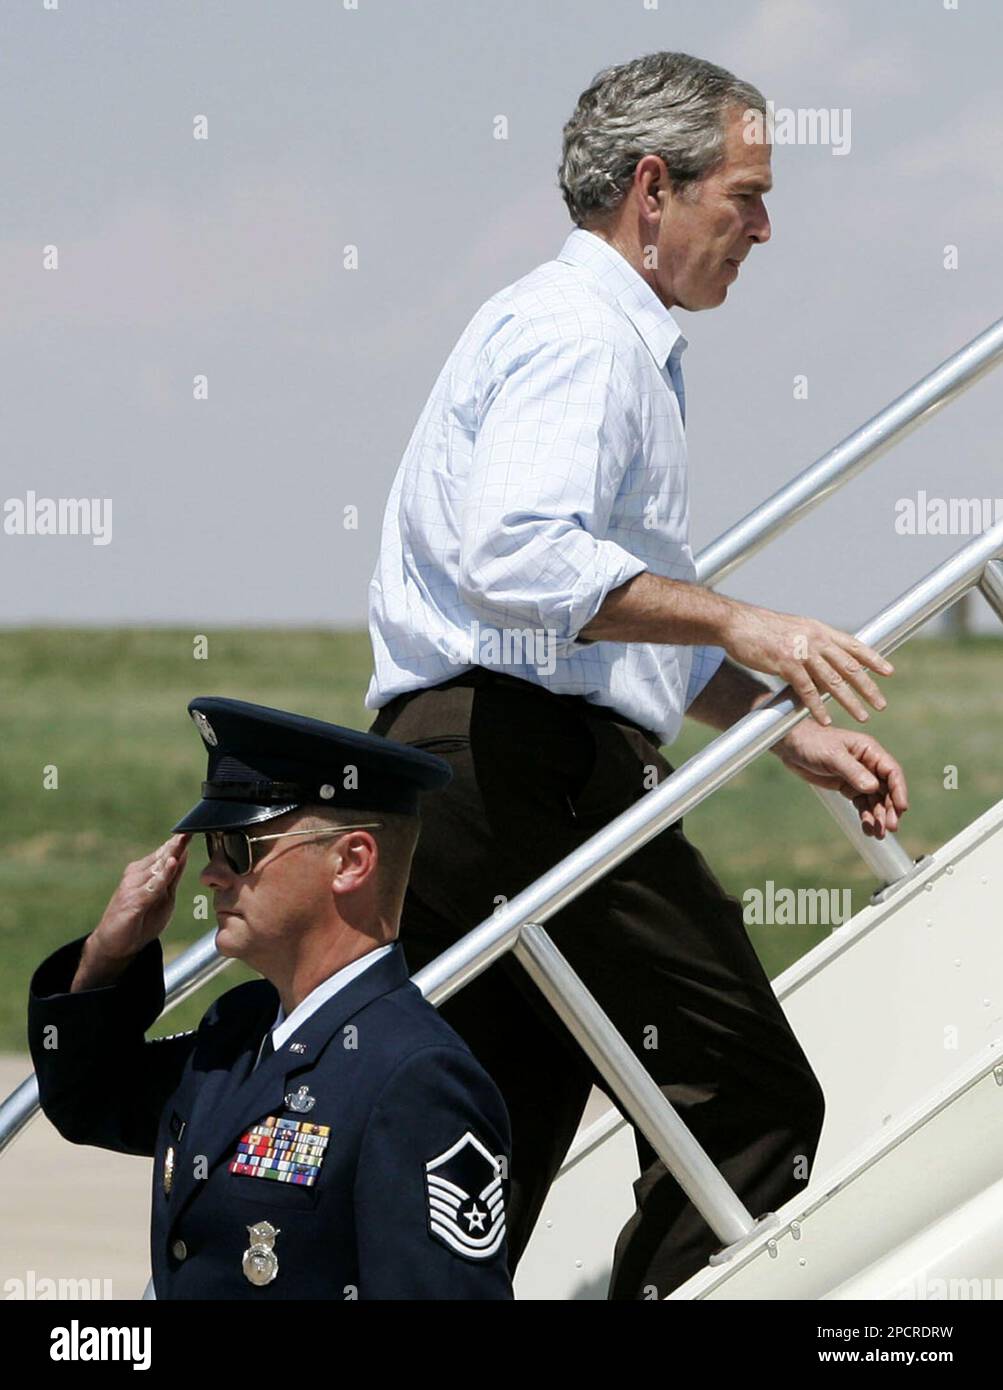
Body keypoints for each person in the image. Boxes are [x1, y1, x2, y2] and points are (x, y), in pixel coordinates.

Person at [363, 51, 910, 1299]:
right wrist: (746, 622)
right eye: (747, 194)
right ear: (652, 189)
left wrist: (771, 725)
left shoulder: (570, 327)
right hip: (523, 773)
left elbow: (578, 617)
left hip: (454, 778)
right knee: (745, 1094)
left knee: (478, 1146)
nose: (764, 228)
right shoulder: (584, 337)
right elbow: (522, 558)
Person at [27, 696, 513, 1300]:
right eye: (210, 848)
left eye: (240, 845)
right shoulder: (240, 1029)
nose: (212, 875)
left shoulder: (415, 1077)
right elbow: (89, 1099)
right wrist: (108, 954)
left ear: (351, 861)